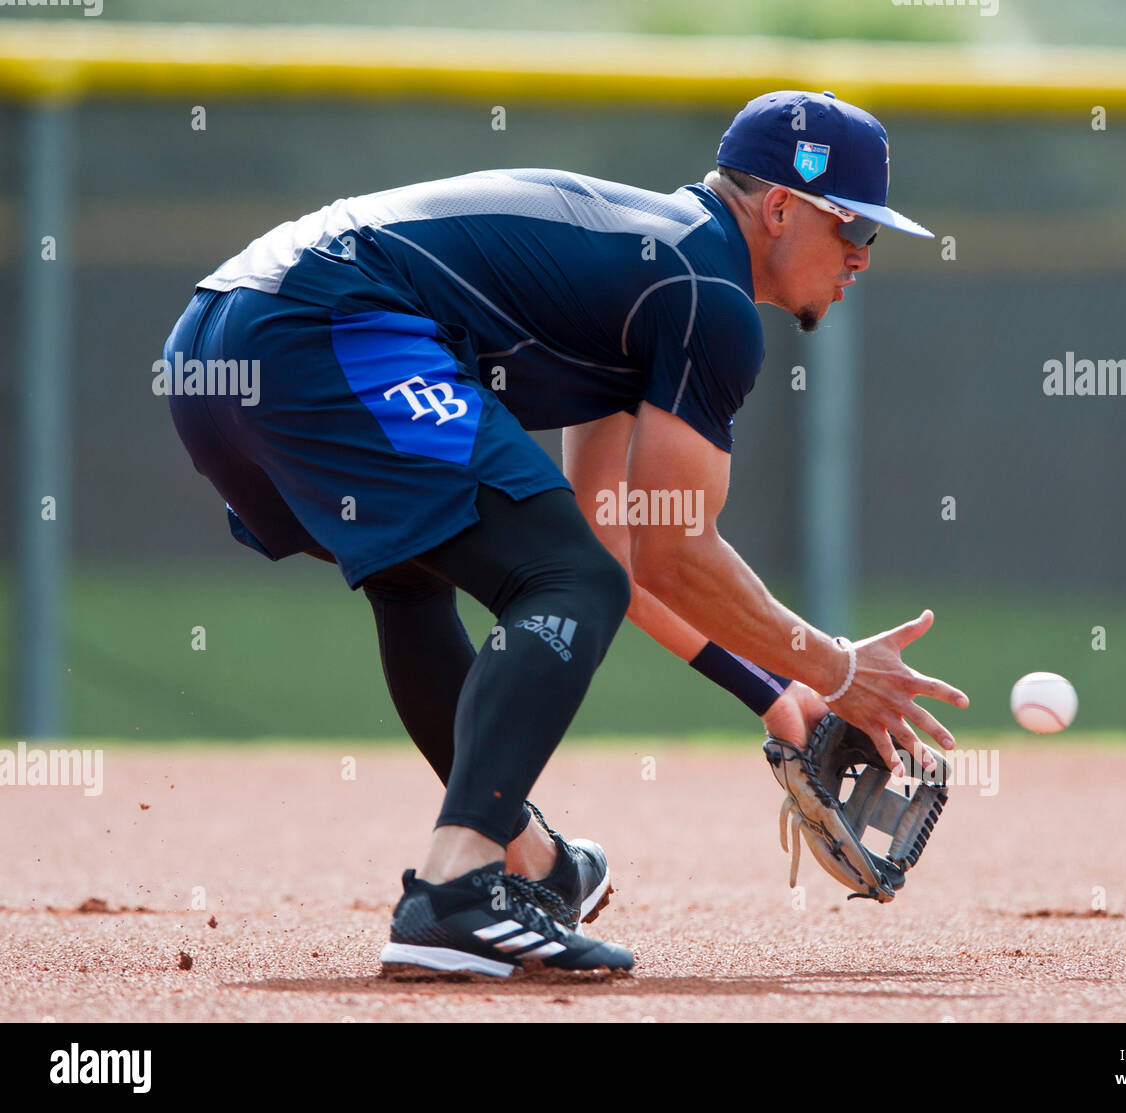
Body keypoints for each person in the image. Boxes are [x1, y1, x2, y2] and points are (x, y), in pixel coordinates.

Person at [163, 89, 969, 979]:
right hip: (318, 326)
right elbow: (669, 551)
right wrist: (838, 669)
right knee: (560, 581)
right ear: (780, 208)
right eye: (854, 227)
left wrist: (778, 694)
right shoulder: (709, 299)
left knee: (421, 570)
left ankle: (523, 865)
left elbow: (618, 547)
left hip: (214, 346)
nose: (862, 255)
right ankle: (456, 889)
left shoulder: (653, 270)